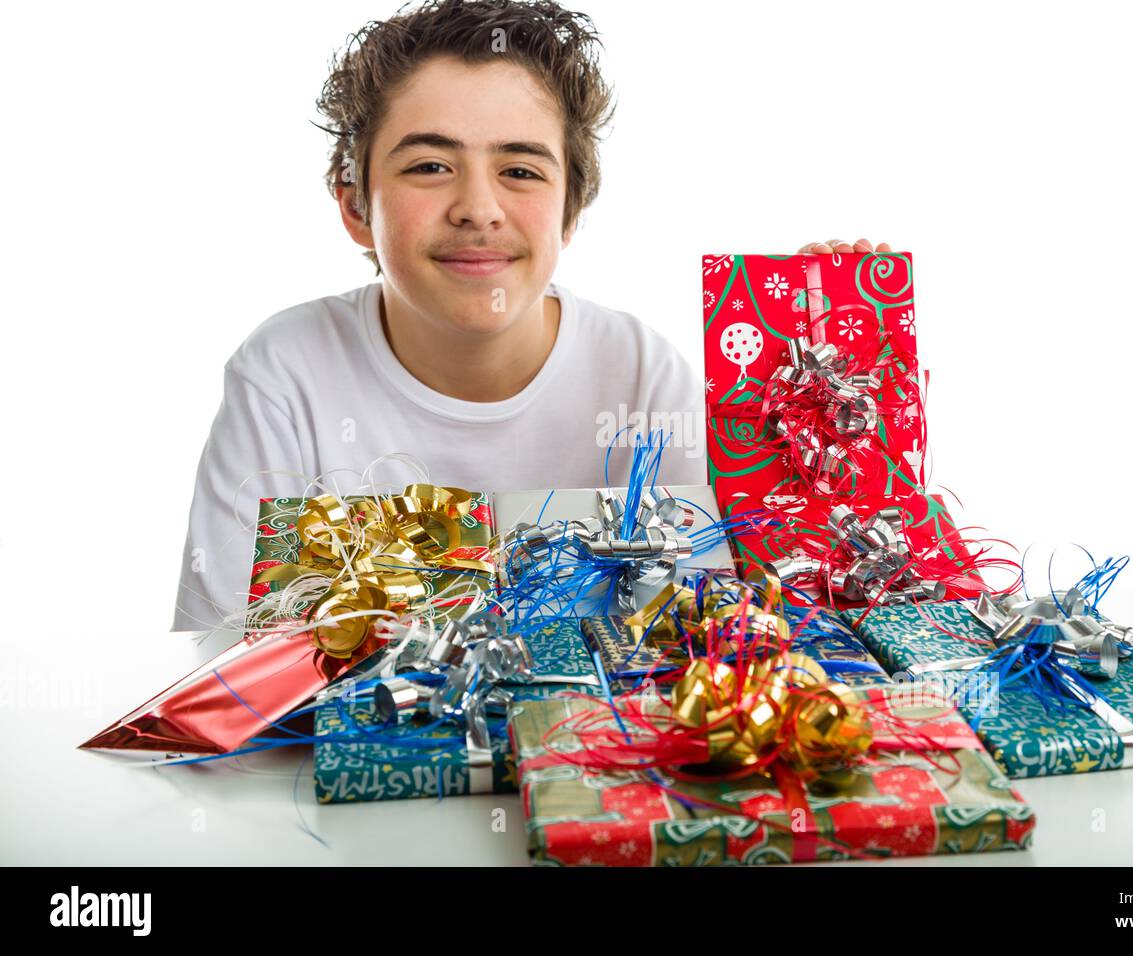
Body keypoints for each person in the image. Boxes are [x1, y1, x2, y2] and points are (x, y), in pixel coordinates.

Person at [171, 0, 889, 631]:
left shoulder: (641, 373)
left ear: (570, 211)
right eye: (429, 165)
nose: (478, 209)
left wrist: (821, 378)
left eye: (520, 170)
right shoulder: (283, 373)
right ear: (357, 206)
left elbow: (724, 621)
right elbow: (224, 658)